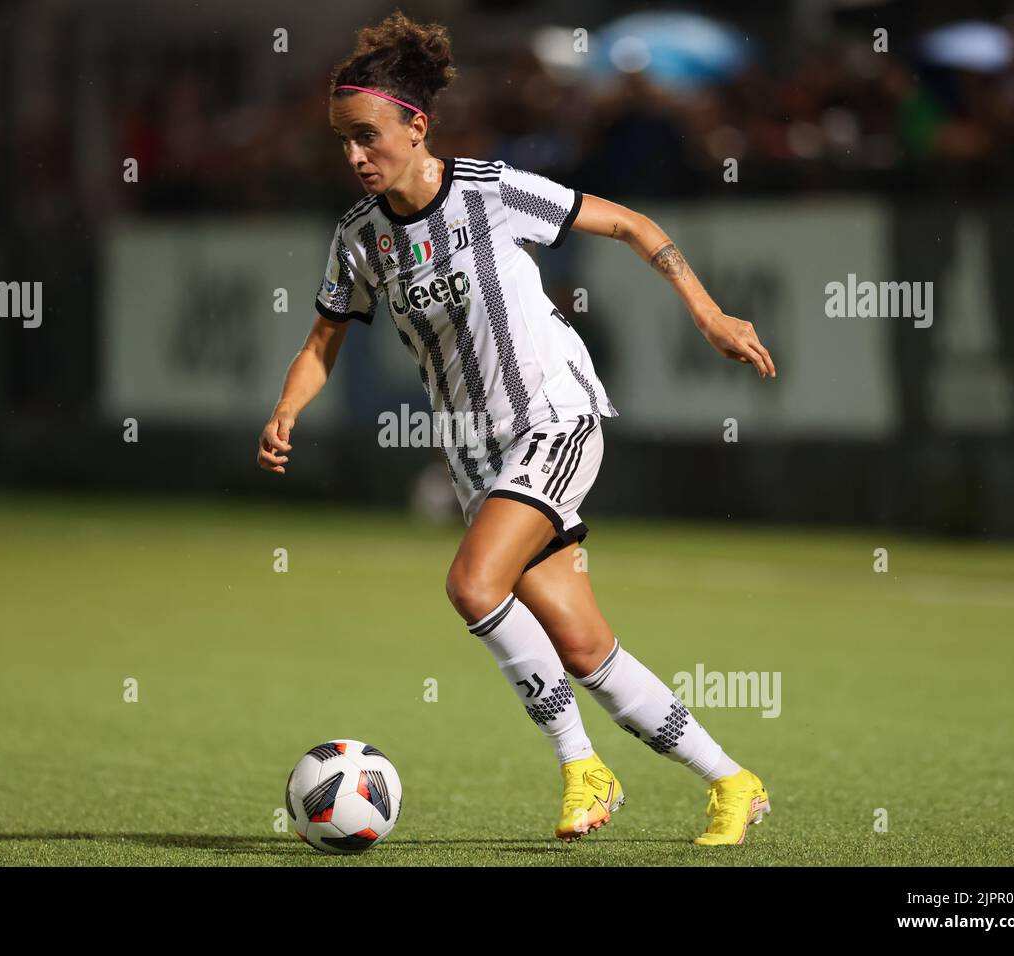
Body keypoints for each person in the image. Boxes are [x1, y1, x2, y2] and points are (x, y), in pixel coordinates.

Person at [258, 11, 777, 846]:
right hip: (477, 458)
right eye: (342, 142)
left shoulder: (492, 190)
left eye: (367, 136)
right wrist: (288, 408)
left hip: (554, 420)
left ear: (415, 125)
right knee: (583, 649)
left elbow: (634, 226)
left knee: (471, 585)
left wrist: (710, 315)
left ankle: (581, 767)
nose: (354, 156)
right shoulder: (359, 238)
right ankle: (733, 781)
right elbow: (323, 340)